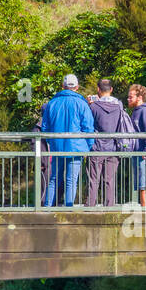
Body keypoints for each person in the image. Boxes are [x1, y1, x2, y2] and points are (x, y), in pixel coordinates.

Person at [39, 74, 94, 207]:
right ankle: (68, 210)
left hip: (57, 147)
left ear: (62, 86)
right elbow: (88, 128)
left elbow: (45, 127)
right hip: (76, 147)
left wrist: (52, 142)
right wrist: (88, 146)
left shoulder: (52, 103)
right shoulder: (82, 104)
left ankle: (47, 209)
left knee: (53, 179)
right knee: (71, 180)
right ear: (77, 87)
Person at [85, 78, 126, 207]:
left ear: (98, 90)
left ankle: (90, 206)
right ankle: (109, 206)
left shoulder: (94, 106)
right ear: (111, 89)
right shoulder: (119, 106)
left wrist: (89, 104)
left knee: (93, 180)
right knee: (109, 180)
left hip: (97, 148)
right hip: (113, 148)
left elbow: (88, 125)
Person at [128, 83, 146, 206]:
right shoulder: (135, 111)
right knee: (144, 183)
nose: (128, 99)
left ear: (139, 97)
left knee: (145, 184)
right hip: (138, 152)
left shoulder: (145, 111)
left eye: (131, 97)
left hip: (144, 153)